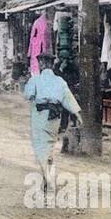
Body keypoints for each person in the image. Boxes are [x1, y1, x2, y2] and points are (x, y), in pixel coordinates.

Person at [24, 53, 82, 191]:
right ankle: (47, 175)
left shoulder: (35, 80)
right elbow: (69, 99)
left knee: (40, 146)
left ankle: (47, 177)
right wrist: (79, 117)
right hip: (54, 116)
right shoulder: (60, 81)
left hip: (39, 115)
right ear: (51, 65)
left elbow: (28, 95)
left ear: (41, 65)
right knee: (49, 146)